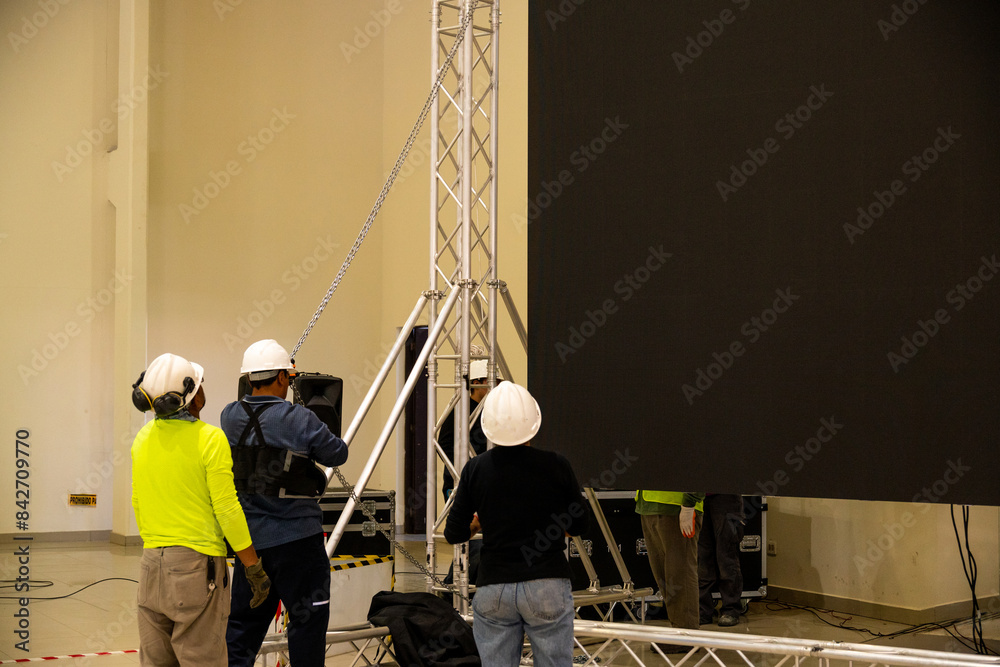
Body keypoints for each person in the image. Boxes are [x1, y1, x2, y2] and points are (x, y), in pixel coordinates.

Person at [130, 352, 271, 667]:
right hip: (197, 569)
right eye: (201, 384)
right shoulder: (209, 439)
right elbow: (227, 509)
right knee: (201, 659)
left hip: (150, 567)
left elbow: (138, 503)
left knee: (156, 661)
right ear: (192, 397)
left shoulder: (141, 439)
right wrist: (252, 566)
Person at [222, 339, 349, 667]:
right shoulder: (299, 420)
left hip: (251, 547)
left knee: (241, 631)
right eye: (288, 378)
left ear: (248, 379)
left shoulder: (229, 417)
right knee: (307, 629)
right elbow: (338, 453)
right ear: (282, 378)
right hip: (299, 544)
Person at [445, 381, 588, 667]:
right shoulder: (557, 464)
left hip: (494, 587)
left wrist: (478, 523)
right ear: (533, 422)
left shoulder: (476, 469)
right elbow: (579, 525)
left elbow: (454, 533)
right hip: (546, 583)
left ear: (488, 425)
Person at [440, 359, 491, 585]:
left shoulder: (488, 411)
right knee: (467, 538)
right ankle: (454, 585)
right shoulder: (459, 411)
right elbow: (444, 445)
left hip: (482, 483)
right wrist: (465, 474)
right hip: (460, 482)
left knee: (474, 542)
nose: (493, 387)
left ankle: (456, 583)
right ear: (477, 382)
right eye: (490, 382)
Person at [635, 490, 704, 651]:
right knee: (665, 576)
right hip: (649, 505)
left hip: (676, 507)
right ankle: (678, 629)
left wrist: (689, 504)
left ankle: (688, 635)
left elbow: (698, 469)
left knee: (680, 573)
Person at [698, 493, 745, 627]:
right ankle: (703, 610)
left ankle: (731, 610)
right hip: (698, 495)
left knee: (726, 556)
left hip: (726, 494)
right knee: (702, 557)